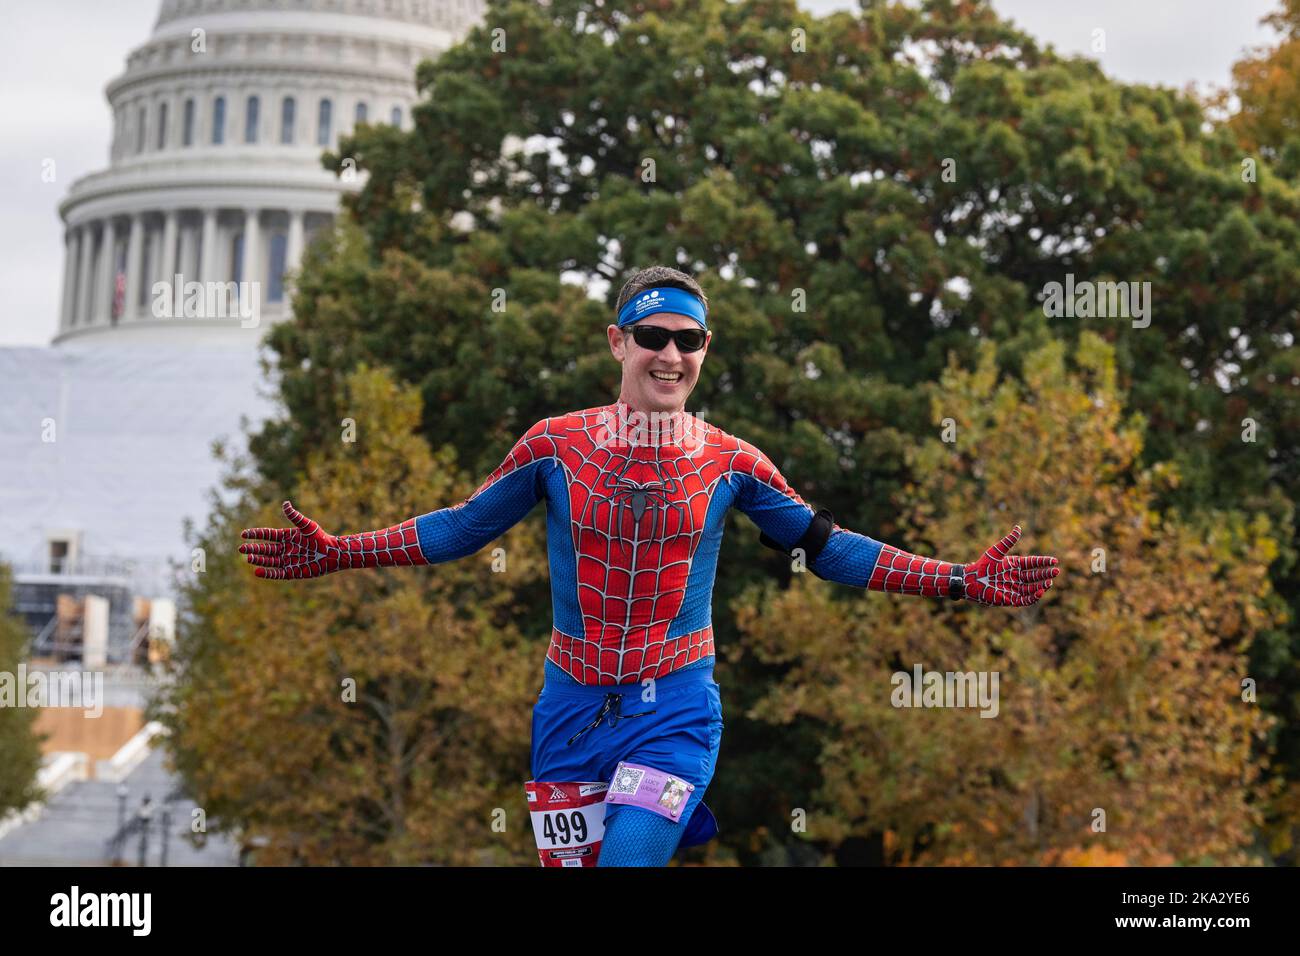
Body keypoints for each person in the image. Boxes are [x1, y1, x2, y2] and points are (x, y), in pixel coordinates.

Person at [239, 265, 1060, 866]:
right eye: (652, 337)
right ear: (618, 342)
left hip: (675, 708)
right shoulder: (552, 445)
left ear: (706, 350)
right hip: (569, 704)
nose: (670, 355)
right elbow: (461, 529)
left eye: (688, 340)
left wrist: (958, 578)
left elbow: (827, 547)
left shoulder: (734, 462)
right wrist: (339, 553)